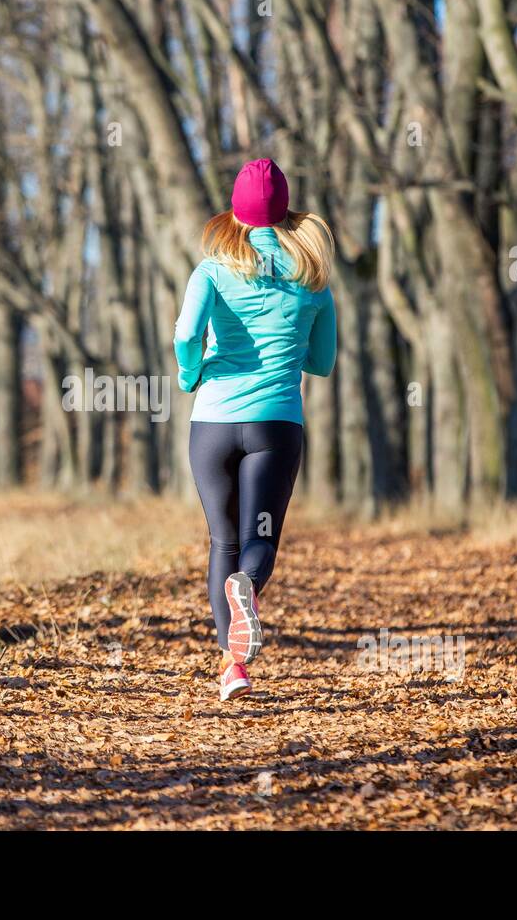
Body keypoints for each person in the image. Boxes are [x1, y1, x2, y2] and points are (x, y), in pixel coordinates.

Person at [173, 159, 337, 701]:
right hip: (276, 426)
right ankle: (248, 592)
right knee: (258, 538)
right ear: (287, 211)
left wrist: (192, 372)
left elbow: (185, 335)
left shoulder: (213, 270)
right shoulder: (313, 278)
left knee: (223, 540)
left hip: (213, 427)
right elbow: (322, 362)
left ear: (236, 212)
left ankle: (233, 670)